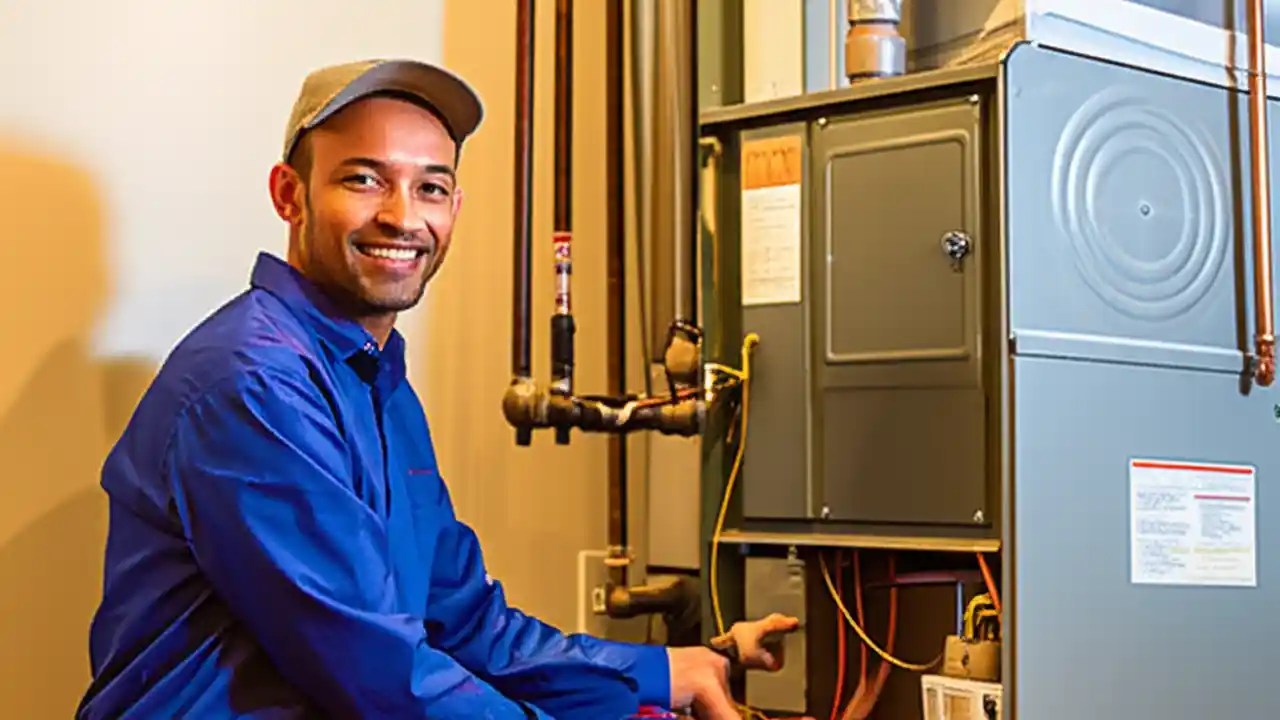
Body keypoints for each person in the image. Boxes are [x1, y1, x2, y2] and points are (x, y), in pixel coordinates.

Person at [77, 59, 796, 720]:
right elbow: (381, 675)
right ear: (289, 194)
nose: (403, 216)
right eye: (363, 179)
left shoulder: (375, 379)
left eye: (431, 186)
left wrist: (663, 672)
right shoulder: (255, 384)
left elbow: (464, 623)